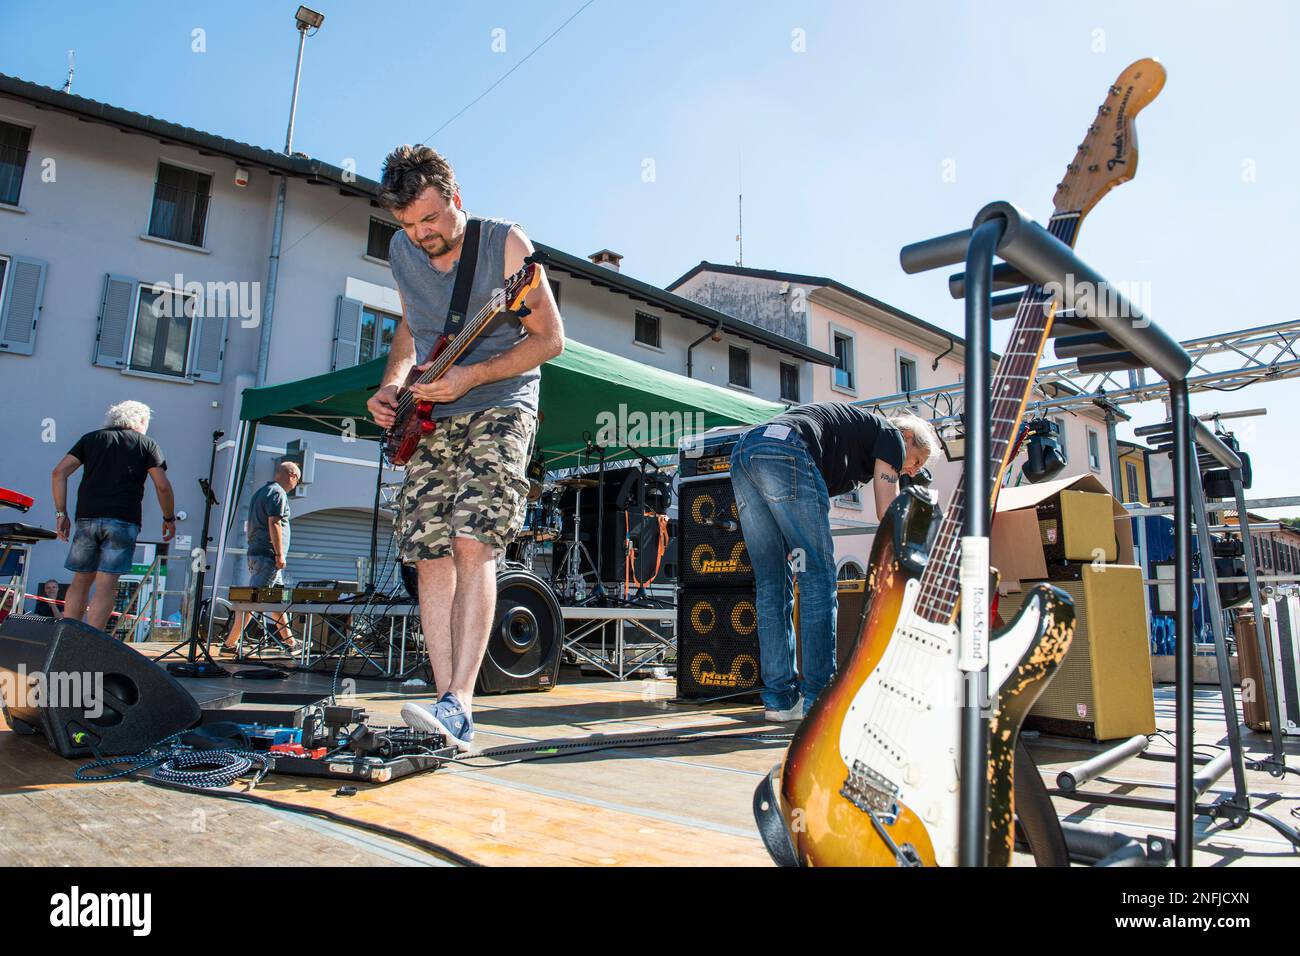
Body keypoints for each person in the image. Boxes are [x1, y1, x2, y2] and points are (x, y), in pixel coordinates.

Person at [366, 145, 563, 751]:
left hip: (501, 403)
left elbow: (550, 340)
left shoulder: (506, 246)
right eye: (408, 226)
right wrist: (392, 382)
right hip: (429, 411)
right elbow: (409, 325)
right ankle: (441, 694)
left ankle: (461, 702)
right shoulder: (402, 250)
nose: (421, 235)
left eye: (430, 220)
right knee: (429, 554)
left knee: (472, 541)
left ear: (455, 198)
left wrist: (471, 377)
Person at [729, 404, 940, 722]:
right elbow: (888, 512)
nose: (911, 471)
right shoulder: (891, 436)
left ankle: (780, 700)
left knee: (772, 583)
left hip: (745, 451)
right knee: (818, 578)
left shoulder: (854, 441)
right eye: (916, 461)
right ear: (908, 437)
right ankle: (819, 698)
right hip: (785, 448)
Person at [51, 401, 174, 631]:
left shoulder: (91, 439)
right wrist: (168, 518)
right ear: (140, 421)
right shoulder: (146, 444)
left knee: (80, 581)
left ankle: (67, 639)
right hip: (123, 519)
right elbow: (163, 486)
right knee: (106, 585)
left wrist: (61, 513)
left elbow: (59, 472)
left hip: (87, 518)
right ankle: (93, 644)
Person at [222, 460, 301, 655]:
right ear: (292, 476)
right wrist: (279, 554)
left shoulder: (261, 492)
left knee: (276, 601)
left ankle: (290, 643)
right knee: (253, 600)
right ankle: (229, 645)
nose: (296, 485)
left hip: (259, 552)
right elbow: (274, 522)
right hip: (269, 556)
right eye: (297, 480)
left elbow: (251, 524)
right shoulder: (278, 493)